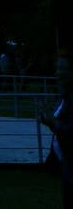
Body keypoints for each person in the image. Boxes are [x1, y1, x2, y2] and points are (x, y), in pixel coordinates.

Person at [40, 50, 73, 208]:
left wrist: (53, 121)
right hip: (66, 163)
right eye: (57, 68)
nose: (58, 73)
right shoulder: (65, 96)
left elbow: (69, 133)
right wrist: (48, 119)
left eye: (63, 69)